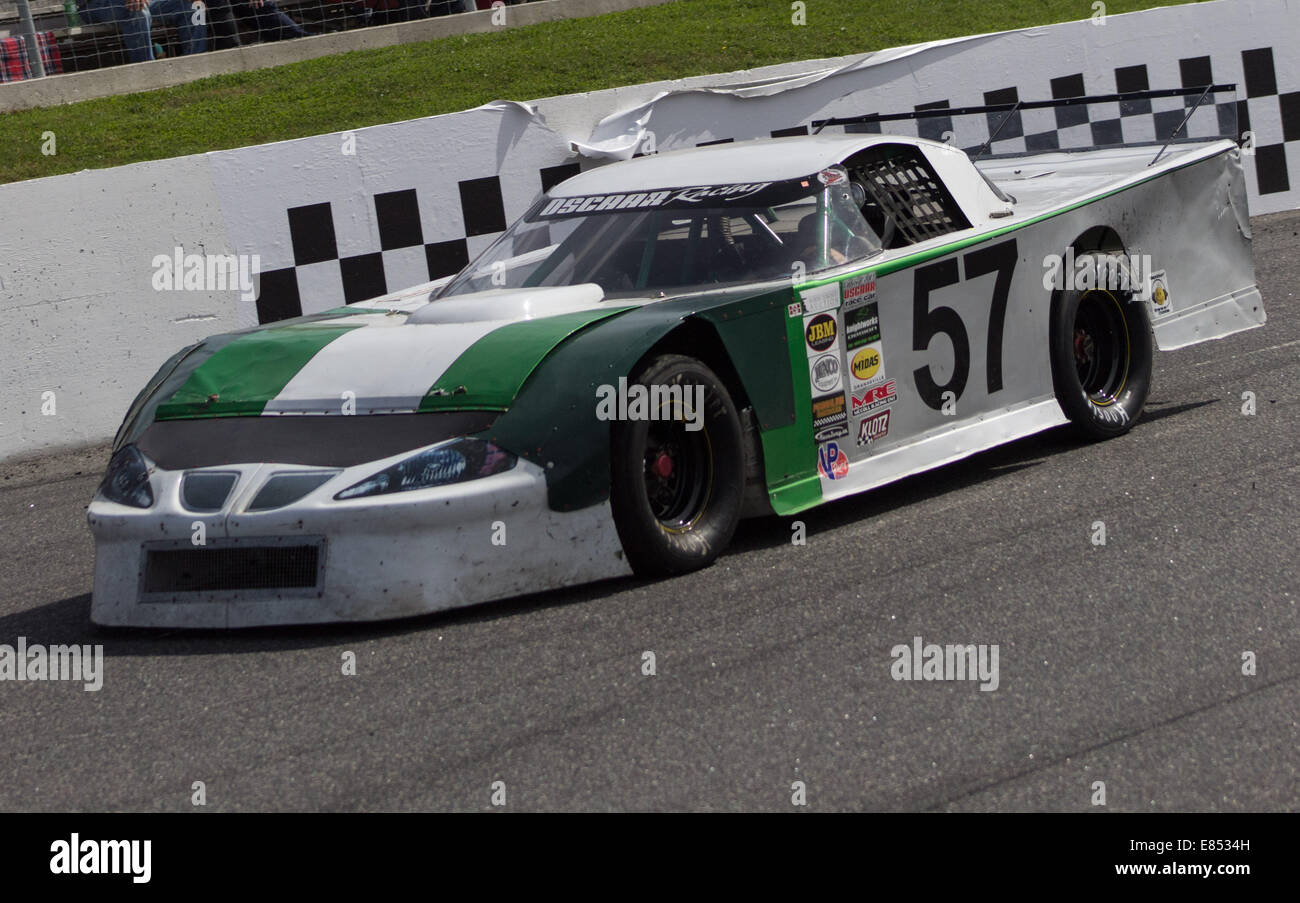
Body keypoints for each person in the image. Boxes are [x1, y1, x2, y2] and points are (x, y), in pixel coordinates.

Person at [79, 0, 207, 63]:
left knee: (195, 7)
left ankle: (195, 65)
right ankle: (147, 71)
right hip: (96, 5)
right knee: (138, 11)